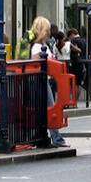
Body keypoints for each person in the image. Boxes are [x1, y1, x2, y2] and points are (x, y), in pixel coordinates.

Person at [29, 16, 68, 147]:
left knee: (48, 108)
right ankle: (56, 137)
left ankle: (49, 136)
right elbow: (35, 64)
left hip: (47, 80)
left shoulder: (44, 45)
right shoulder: (37, 47)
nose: (50, 32)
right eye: (48, 29)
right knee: (51, 108)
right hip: (41, 81)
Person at [67, 28, 88, 104]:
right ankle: (76, 101)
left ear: (72, 34)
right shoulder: (84, 41)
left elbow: (73, 53)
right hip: (81, 64)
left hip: (74, 64)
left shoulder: (74, 41)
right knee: (78, 84)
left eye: (69, 36)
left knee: (74, 83)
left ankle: (73, 101)